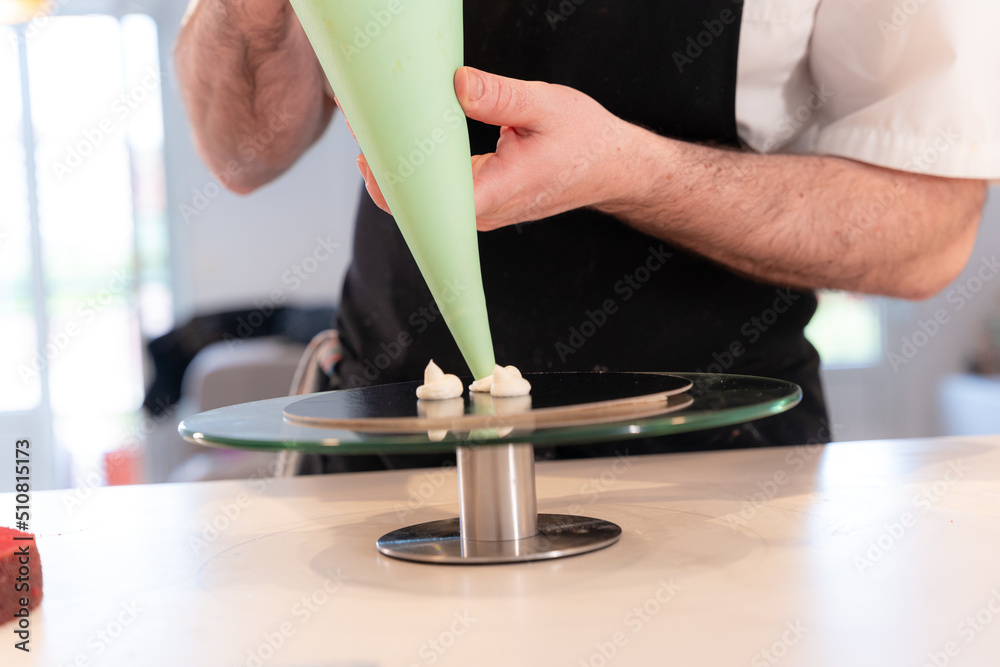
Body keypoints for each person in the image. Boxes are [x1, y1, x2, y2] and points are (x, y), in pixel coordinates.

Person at [175, 0, 998, 468]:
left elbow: (927, 232)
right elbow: (239, 153)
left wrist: (633, 171)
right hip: (385, 473)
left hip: (715, 480)